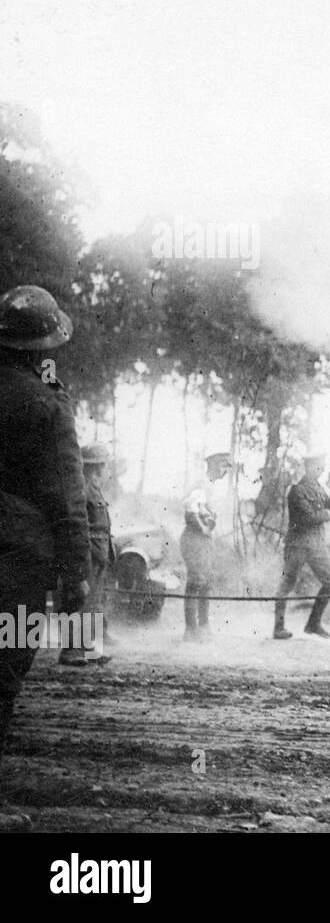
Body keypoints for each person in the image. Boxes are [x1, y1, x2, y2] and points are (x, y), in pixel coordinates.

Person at [0, 286, 91, 781]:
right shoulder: (47, 404)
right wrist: (77, 573)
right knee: (3, 677)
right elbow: (67, 498)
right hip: (16, 563)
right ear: (45, 346)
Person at [60, 443, 116, 666]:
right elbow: (78, 524)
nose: (106, 470)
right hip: (88, 552)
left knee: (93, 603)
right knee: (78, 601)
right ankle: (71, 650)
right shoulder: (82, 488)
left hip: (98, 552)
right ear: (97, 467)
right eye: (104, 465)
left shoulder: (93, 488)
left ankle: (87, 647)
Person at [275, 452, 330, 640]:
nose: (321, 471)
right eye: (318, 467)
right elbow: (308, 518)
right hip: (297, 545)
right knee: (287, 584)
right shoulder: (297, 490)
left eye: (322, 467)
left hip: (316, 545)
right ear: (309, 467)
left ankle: (313, 624)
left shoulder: (319, 488)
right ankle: (278, 628)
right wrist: (326, 514)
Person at [181, 450, 233, 643]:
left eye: (227, 466)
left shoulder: (210, 486)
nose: (225, 470)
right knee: (195, 582)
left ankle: (203, 627)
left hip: (203, 541)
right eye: (222, 465)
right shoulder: (201, 484)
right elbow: (190, 510)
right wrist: (202, 527)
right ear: (211, 464)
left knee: (206, 582)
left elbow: (204, 510)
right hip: (194, 540)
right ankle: (190, 630)